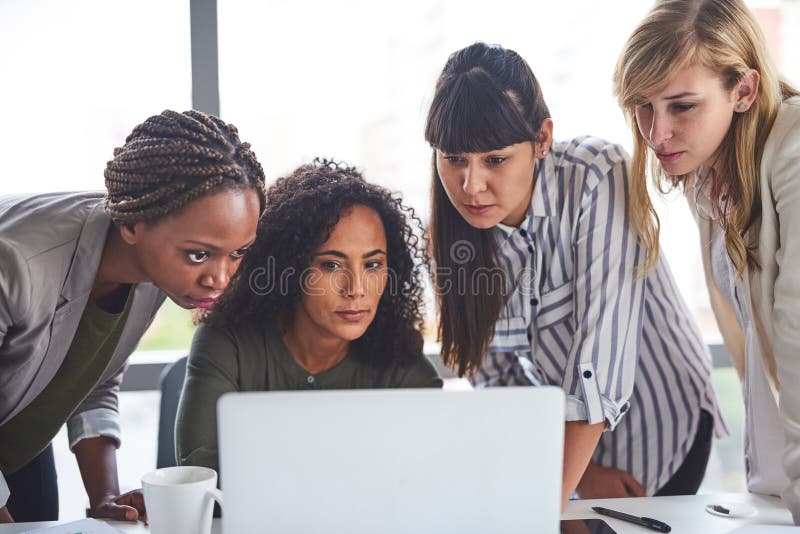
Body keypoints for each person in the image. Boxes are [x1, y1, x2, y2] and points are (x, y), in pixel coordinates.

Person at [425, 42, 725, 506]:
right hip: (565, 452)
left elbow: (600, 358)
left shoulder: (596, 175)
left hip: (662, 427)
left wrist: (559, 494)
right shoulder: (450, 236)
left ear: (542, 138)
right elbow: (499, 378)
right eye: (454, 159)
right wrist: (579, 477)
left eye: (495, 160)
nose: (471, 185)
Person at [0, 110, 266, 523]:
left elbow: (92, 380)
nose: (220, 278)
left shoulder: (156, 268)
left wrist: (105, 498)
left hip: (18, 444)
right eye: (199, 254)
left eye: (237, 253)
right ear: (132, 225)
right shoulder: (16, 262)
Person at [614, 0, 800, 523]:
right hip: (772, 489)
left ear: (743, 90)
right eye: (643, 107)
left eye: (682, 106)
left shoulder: (794, 154)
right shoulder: (709, 176)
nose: (656, 133)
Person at [176, 159, 442, 474]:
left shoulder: (400, 360)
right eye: (331, 265)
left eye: (372, 265)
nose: (356, 289)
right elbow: (199, 468)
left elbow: (429, 469)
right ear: (290, 268)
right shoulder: (227, 344)